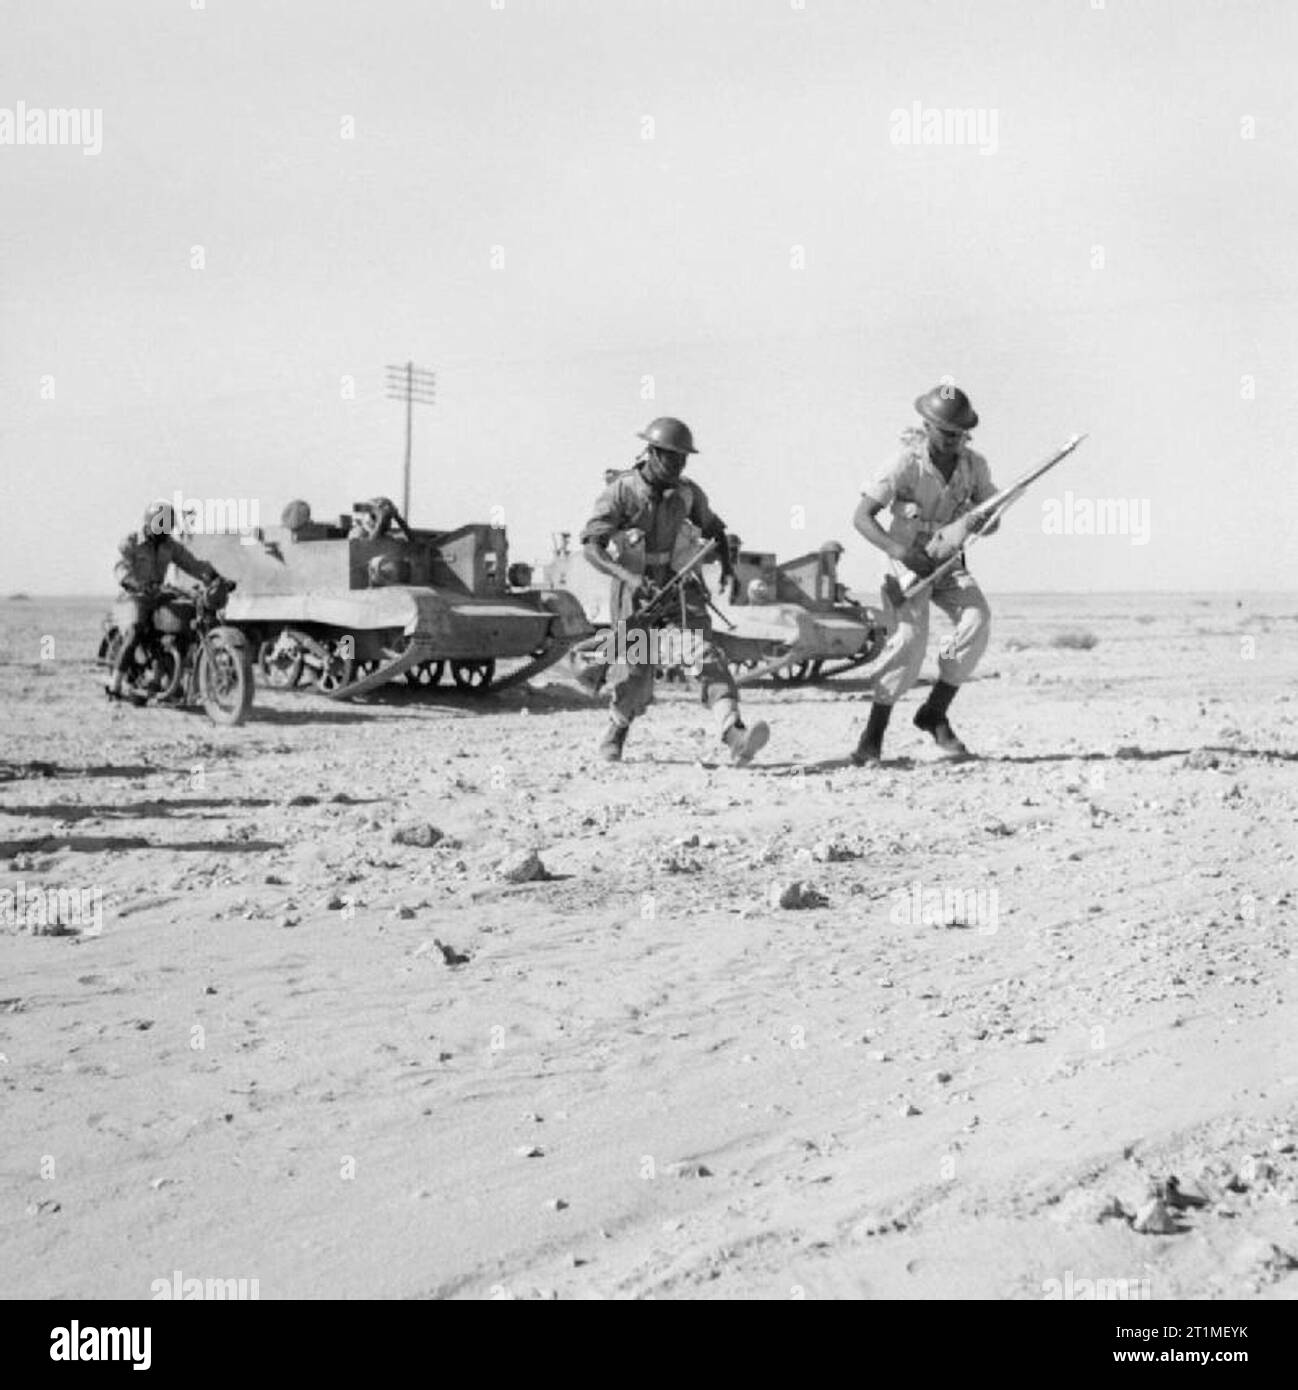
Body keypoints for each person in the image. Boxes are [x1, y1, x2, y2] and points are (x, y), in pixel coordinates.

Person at [580, 417, 770, 764]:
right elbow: (592, 546)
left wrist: (728, 567)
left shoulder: (688, 493)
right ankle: (616, 733)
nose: (679, 465)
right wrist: (628, 577)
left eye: (684, 459)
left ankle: (735, 734)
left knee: (706, 656)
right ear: (651, 453)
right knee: (636, 676)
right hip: (635, 599)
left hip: (679, 594)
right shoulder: (621, 492)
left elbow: (716, 530)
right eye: (672, 457)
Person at [850, 384, 999, 762]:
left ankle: (933, 712)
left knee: (976, 620)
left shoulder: (974, 465)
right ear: (928, 426)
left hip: (949, 563)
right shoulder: (904, 463)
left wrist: (986, 520)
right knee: (910, 642)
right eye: (947, 433)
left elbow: (992, 518)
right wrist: (899, 551)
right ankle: (872, 738)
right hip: (907, 565)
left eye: (962, 434)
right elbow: (862, 517)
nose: (955, 441)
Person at [108, 501, 227, 700]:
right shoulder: (131, 542)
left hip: (158, 594)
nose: (165, 527)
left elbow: (193, 564)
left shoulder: (170, 546)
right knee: (136, 629)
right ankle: (115, 684)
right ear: (150, 522)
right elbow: (121, 567)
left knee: (183, 623)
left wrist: (215, 577)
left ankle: (169, 678)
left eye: (169, 522)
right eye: (161, 522)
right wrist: (133, 583)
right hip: (134, 596)